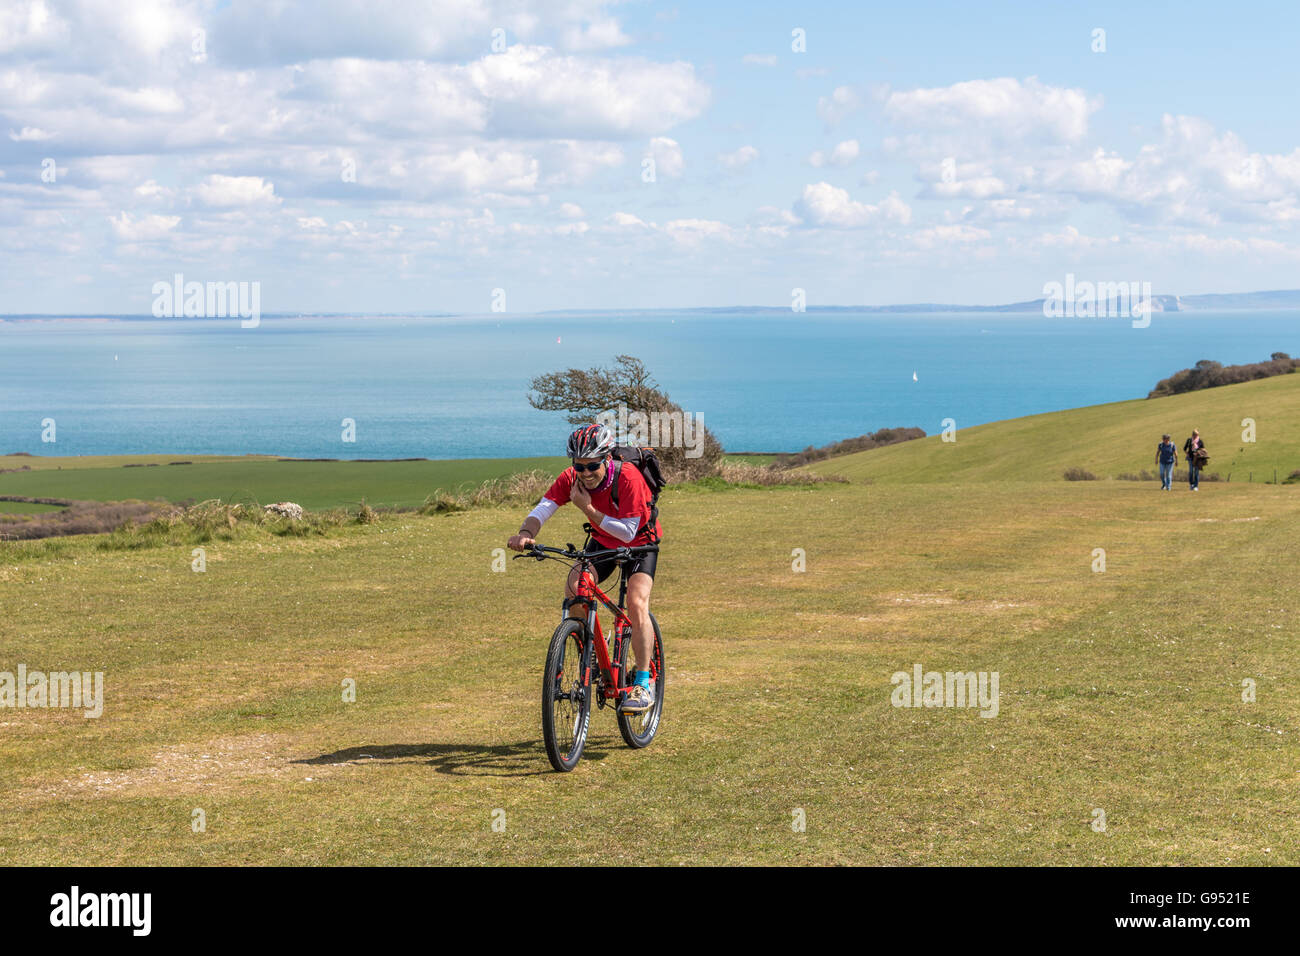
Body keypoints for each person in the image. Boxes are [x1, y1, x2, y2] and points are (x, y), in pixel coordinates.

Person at [507, 423, 663, 714]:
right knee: (575, 586)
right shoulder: (572, 479)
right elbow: (544, 507)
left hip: (640, 544)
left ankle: (643, 683)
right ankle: (589, 646)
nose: (586, 473)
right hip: (602, 542)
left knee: (636, 602)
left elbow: (628, 532)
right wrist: (526, 533)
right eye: (579, 466)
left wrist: (587, 509)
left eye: (593, 465)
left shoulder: (627, 477)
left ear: (606, 458)